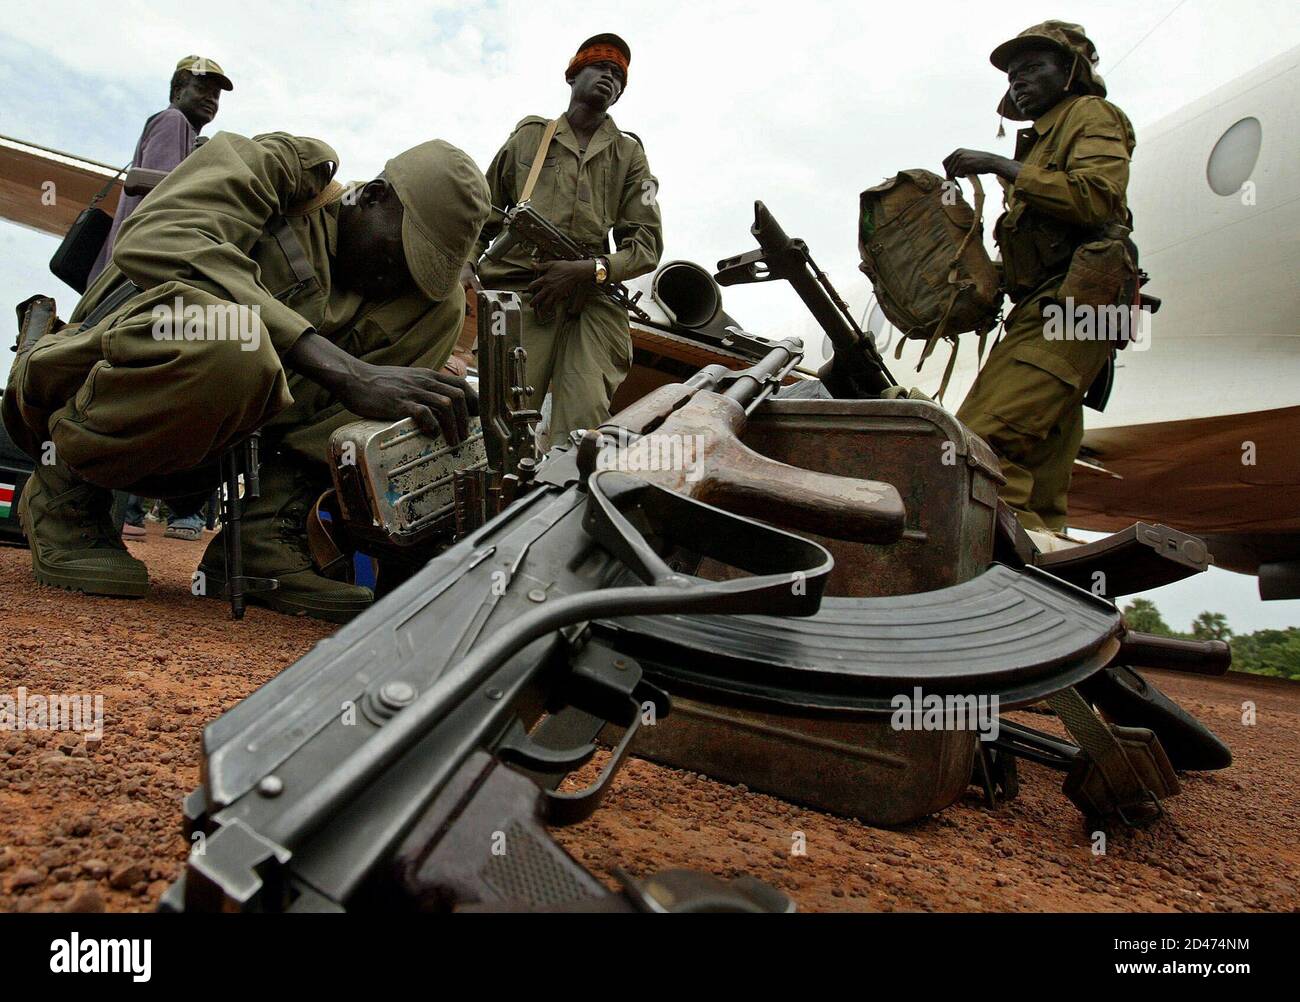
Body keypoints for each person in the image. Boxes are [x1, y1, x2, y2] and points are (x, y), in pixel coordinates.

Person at [4, 131, 489, 622]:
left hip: (208, 454)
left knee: (440, 310)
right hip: (78, 387)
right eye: (399, 256)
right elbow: (157, 237)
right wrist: (344, 370)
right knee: (236, 341)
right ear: (374, 195)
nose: (401, 279)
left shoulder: (421, 304)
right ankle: (65, 493)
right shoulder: (279, 168)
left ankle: (262, 534)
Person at [943, 21, 1138, 547]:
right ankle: (1039, 564)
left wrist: (999, 165)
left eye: (1033, 68)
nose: (1018, 82)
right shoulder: (1041, 144)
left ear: (1071, 71)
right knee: (1037, 472)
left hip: (1075, 307)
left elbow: (1098, 198)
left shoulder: (1091, 115)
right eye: (1011, 76)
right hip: (1055, 308)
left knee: (980, 444)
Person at [469, 32, 663, 448]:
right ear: (573, 75)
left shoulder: (630, 155)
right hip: (521, 294)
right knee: (500, 426)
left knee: (583, 431)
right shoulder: (529, 139)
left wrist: (588, 271)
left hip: (591, 299)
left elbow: (645, 245)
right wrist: (466, 267)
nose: (609, 77)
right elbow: (483, 210)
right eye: (600, 67)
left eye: (618, 75)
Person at [90, 54, 234, 542]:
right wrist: (208, 169)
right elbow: (164, 191)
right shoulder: (173, 122)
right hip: (139, 273)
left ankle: (125, 505)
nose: (210, 98)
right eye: (202, 88)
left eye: (217, 92)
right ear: (177, 89)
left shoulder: (183, 133)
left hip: (127, 272)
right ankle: (148, 506)